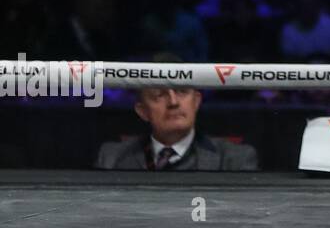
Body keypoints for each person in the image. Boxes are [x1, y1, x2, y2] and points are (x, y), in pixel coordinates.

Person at [95, 69, 259, 171]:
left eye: (181, 91)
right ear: (143, 111)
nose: (173, 102)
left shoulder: (235, 160)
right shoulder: (112, 158)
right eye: (160, 94)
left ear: (196, 101)